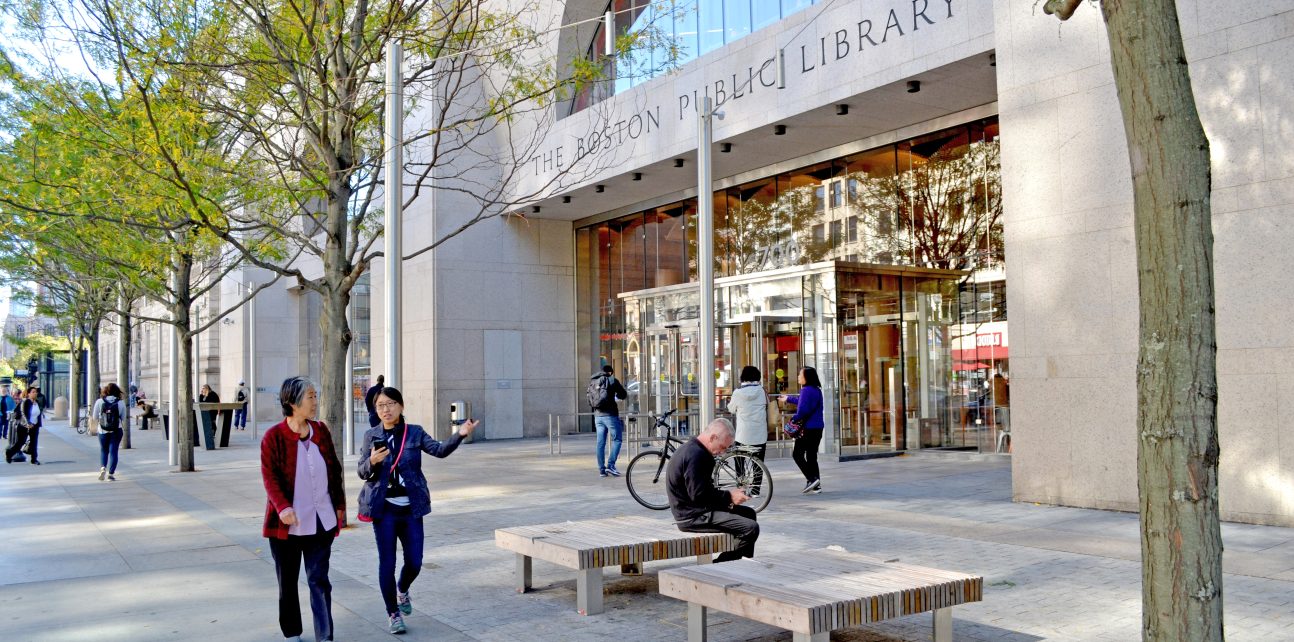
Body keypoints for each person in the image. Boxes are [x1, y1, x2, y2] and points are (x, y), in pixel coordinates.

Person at [358, 386, 478, 634]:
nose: (386, 409)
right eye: (380, 406)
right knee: (387, 563)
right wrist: (372, 461)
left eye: (390, 404)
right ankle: (393, 614)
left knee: (414, 562)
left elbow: (439, 450)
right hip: (384, 510)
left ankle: (402, 590)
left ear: (401, 406)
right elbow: (362, 471)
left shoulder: (414, 433)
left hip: (411, 508)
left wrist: (460, 434)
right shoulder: (371, 435)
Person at [261, 377, 346, 642]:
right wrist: (283, 506)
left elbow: (334, 470)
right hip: (287, 525)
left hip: (321, 521)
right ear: (292, 402)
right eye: (310, 396)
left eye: (315, 396)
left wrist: (340, 506)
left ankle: (325, 636)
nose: (315, 401)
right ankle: (292, 633)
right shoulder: (273, 436)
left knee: (319, 580)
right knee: (287, 583)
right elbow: (270, 477)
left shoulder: (321, 430)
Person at [665, 418, 758, 562]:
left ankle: (738, 562)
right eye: (722, 447)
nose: (722, 452)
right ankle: (720, 566)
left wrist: (729, 502)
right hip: (691, 516)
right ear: (713, 437)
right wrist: (729, 497)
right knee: (750, 528)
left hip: (697, 509)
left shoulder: (695, 449)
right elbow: (698, 495)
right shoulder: (696, 455)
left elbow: (702, 492)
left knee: (749, 514)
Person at [780, 366, 825, 494]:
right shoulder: (816, 390)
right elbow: (802, 402)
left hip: (807, 428)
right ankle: (816, 486)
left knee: (797, 454)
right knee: (811, 456)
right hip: (818, 428)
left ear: (807, 377)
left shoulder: (806, 390)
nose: (799, 376)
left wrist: (793, 419)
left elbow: (802, 410)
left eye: (800, 374)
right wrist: (788, 399)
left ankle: (811, 479)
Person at [725, 365, 769, 491]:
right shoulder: (762, 391)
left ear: (743, 377)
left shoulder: (738, 393)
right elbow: (767, 406)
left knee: (740, 462)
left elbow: (731, 409)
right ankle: (756, 490)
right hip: (760, 434)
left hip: (743, 435)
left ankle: (741, 487)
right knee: (758, 463)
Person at [588, 365, 627, 477]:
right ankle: (611, 465)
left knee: (600, 443)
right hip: (610, 415)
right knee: (617, 439)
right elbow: (623, 394)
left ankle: (601, 469)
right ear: (610, 372)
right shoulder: (611, 379)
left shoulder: (594, 380)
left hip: (597, 416)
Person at [92, 383, 128, 481]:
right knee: (114, 451)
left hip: (102, 430)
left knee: (104, 450)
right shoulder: (121, 403)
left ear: (105, 391)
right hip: (116, 430)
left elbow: (95, 417)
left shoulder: (99, 402)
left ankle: (103, 467)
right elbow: (123, 418)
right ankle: (111, 474)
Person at [6, 386, 43, 465]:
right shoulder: (25, 402)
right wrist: (28, 423)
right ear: (28, 394)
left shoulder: (37, 402)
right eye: (33, 392)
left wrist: (37, 423)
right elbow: (23, 413)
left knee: (34, 443)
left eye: (36, 392)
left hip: (35, 425)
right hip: (24, 426)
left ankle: (34, 459)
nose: (35, 393)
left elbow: (38, 413)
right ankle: (9, 453)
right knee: (21, 442)